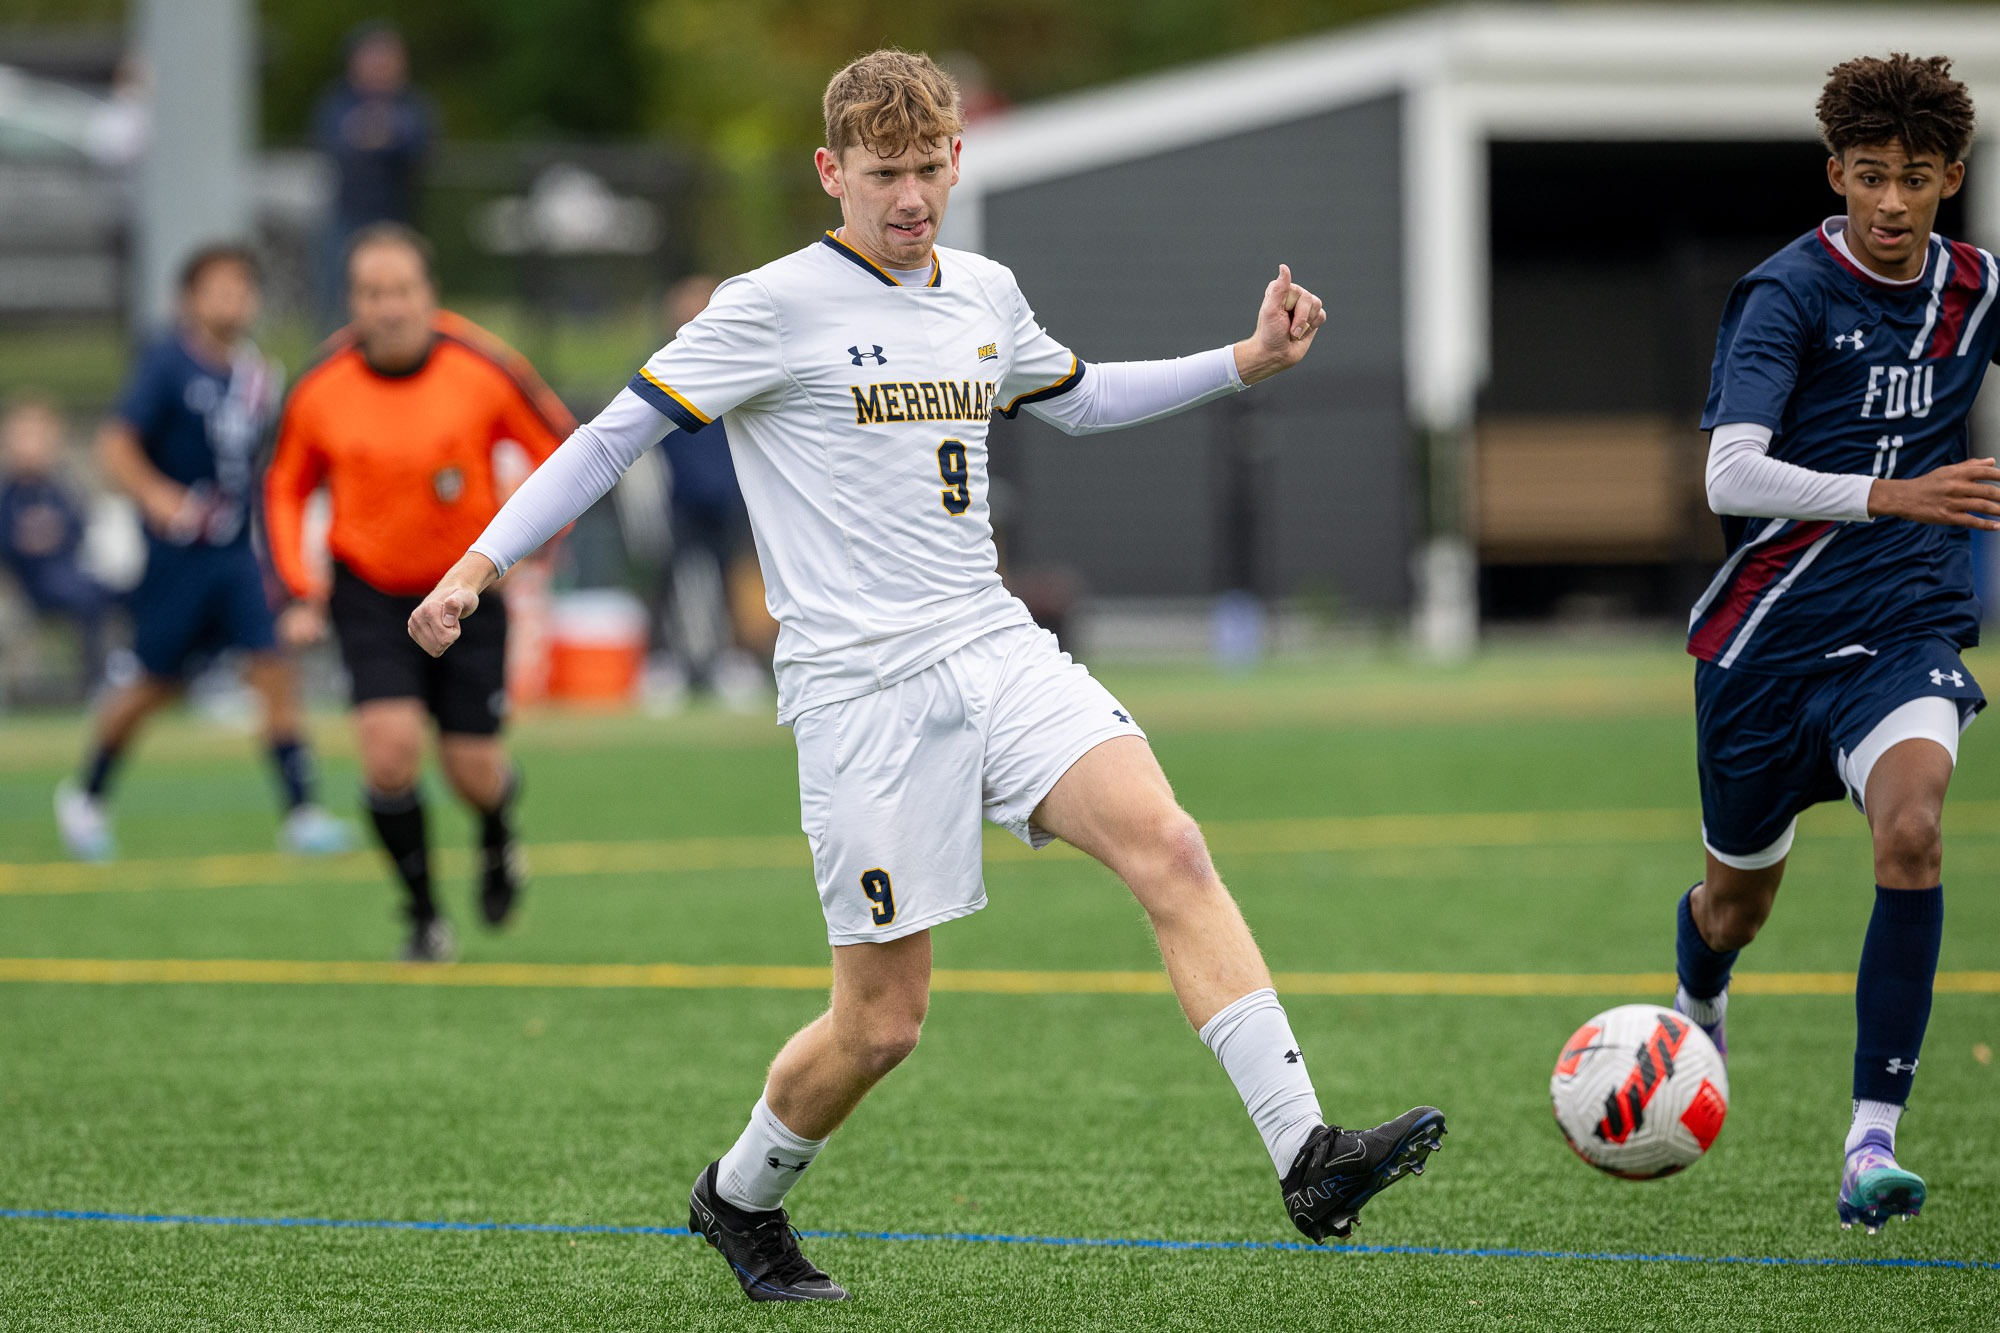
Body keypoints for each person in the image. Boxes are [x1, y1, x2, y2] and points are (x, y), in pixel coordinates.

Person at [410, 51, 1445, 1301]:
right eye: (882, 173)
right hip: (861, 699)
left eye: (926, 169)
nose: (909, 197)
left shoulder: (985, 291)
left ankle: (1306, 1155)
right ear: (829, 171)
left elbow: (1078, 398)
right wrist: (478, 565)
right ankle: (739, 1196)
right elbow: (609, 437)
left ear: (957, 159)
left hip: (994, 649)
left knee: (1169, 845)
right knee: (881, 1026)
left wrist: (1245, 359)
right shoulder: (768, 305)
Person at [1674, 53, 1996, 1235]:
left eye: (1913, 178)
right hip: (1763, 645)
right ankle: (1697, 1000)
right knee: (1733, 908)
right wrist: (1891, 493)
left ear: (1950, 176)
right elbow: (1728, 472)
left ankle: (1870, 1142)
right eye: (1869, 177)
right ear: (1835, 176)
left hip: (1905, 624)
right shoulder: (1785, 294)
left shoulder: (1975, 288)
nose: (1891, 203)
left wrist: (1910, 520)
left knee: (1910, 833)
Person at [266, 223, 574, 963]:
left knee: (473, 772)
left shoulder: (483, 365)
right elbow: (283, 485)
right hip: (370, 593)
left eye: (402, 290)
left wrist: (530, 550)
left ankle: (497, 833)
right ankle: (425, 918)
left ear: (428, 294)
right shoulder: (320, 385)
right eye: (373, 292)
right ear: (353, 301)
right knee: (389, 756)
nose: (390, 307)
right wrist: (299, 588)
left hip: (467, 589)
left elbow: (564, 451)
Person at [56, 245, 350, 862]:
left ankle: (301, 812)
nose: (232, 301)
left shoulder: (258, 376)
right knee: (154, 685)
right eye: (218, 289)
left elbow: (272, 468)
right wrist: (156, 495)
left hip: (235, 556)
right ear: (189, 300)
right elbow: (115, 445)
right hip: (178, 560)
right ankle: (86, 795)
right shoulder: (167, 364)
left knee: (273, 666)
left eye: (242, 289)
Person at [652, 275, 764, 699]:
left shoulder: (746, 363)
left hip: (734, 493)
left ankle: (736, 660)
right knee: (670, 578)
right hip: (681, 497)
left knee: (737, 578)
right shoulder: (663, 366)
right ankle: (665, 660)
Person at [311, 23, 433, 324]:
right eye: (372, 60)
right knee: (337, 296)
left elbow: (418, 147)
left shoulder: (412, 103)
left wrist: (374, 136)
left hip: (398, 215)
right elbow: (334, 144)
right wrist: (383, 136)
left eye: (387, 60)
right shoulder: (337, 102)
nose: (380, 69)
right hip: (346, 216)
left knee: (400, 289)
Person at [0, 397, 111, 690]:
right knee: (84, 595)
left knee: (107, 591)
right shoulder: (8, 495)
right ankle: (96, 678)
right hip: (28, 583)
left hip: (68, 574)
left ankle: (119, 672)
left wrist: (56, 534)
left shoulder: (58, 489)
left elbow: (78, 526)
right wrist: (27, 542)